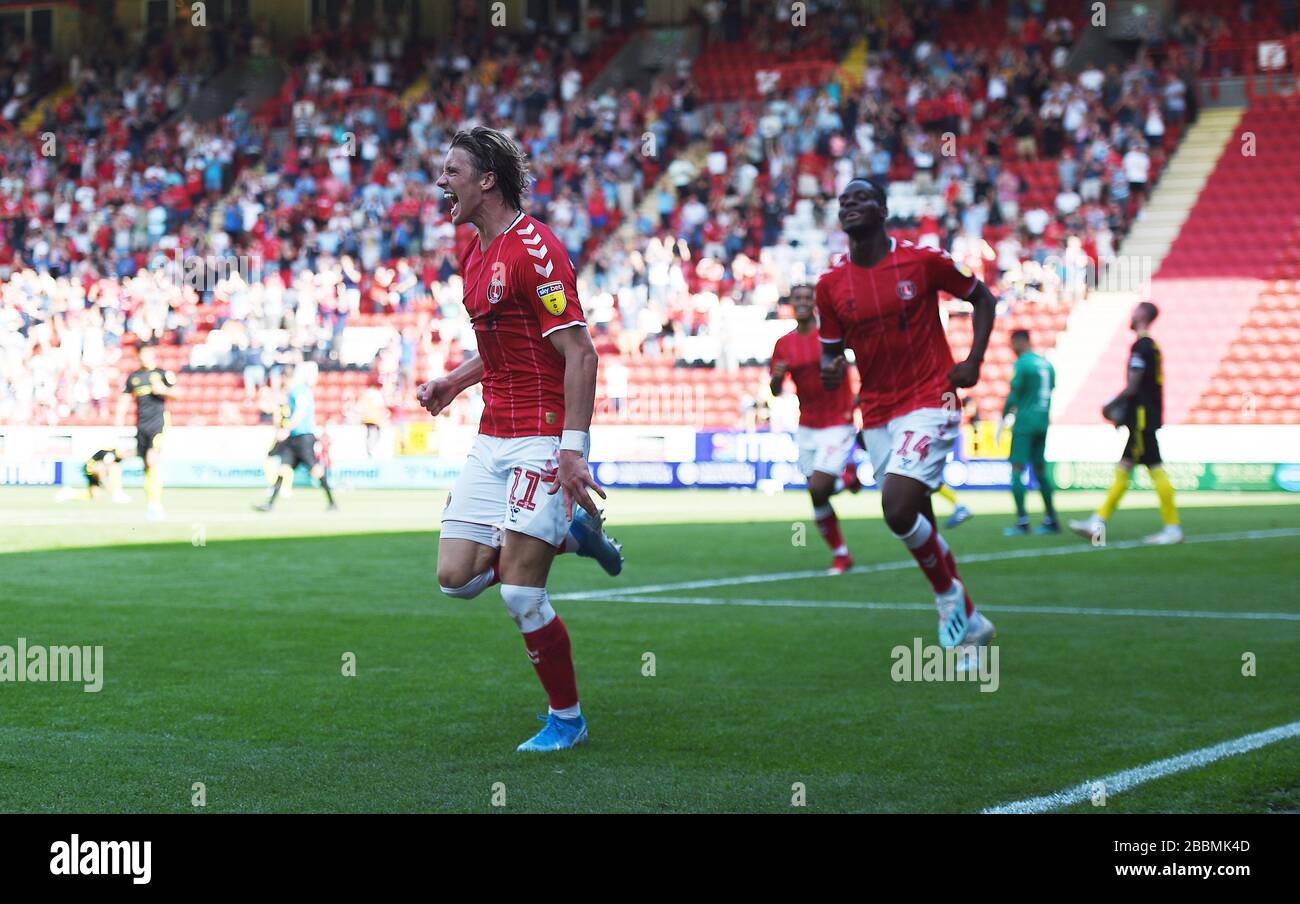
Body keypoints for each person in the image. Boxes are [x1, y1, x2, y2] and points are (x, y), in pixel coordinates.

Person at [416, 126, 624, 752]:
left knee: (518, 592)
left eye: (451, 171)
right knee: (455, 578)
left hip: (540, 434)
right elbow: (502, 346)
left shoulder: (535, 249)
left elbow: (580, 354)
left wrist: (572, 449)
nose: (440, 182)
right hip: (492, 432)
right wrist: (455, 380)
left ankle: (568, 719)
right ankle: (569, 532)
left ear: (486, 180)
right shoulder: (472, 253)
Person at [818, 177, 999, 654]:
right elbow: (829, 356)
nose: (850, 206)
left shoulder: (922, 261)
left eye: (861, 198)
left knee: (897, 507)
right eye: (844, 202)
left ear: (882, 209)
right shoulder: (830, 286)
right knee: (918, 517)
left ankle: (948, 599)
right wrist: (832, 372)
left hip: (929, 397)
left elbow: (983, 297)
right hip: (877, 410)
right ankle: (969, 626)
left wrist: (974, 359)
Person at [1070, 302, 1182, 545]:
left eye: (1135, 311)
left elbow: (1133, 386)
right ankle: (1097, 522)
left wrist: (1111, 406)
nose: (1130, 315)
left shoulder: (1141, 346)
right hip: (1144, 415)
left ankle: (1172, 529)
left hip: (1142, 417)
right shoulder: (1152, 346)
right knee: (1125, 468)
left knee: (1154, 466)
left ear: (1142, 315)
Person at [769, 285, 859, 574]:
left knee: (818, 486)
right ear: (792, 304)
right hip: (807, 423)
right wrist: (778, 378)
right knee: (816, 493)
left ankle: (845, 479)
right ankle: (841, 553)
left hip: (838, 420)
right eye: (799, 299)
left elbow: (855, 360)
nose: (804, 303)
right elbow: (774, 389)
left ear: (816, 304)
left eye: (809, 298)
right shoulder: (784, 344)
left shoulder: (830, 336)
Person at [998, 330, 1059, 535]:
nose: (1012, 349)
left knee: (1017, 469)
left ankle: (1022, 522)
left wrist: (1003, 417)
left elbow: (1014, 394)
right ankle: (1051, 519)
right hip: (1042, 422)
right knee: (1040, 471)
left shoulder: (1022, 364)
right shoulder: (1047, 364)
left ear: (1019, 342)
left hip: (1025, 423)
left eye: (1012, 344)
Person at [255, 363, 337, 512]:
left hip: (303, 437)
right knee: (282, 469)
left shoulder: (299, 391)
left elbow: (300, 412)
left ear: (286, 377)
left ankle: (332, 502)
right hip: (294, 438)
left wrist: (287, 428)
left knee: (315, 470)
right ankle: (270, 504)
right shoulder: (297, 391)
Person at [116, 344, 174, 520]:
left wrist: (163, 390)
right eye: (142, 355)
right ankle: (152, 503)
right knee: (147, 466)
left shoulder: (162, 374)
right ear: (138, 357)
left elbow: (178, 393)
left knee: (152, 459)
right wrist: (119, 418)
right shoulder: (134, 378)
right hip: (141, 425)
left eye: (148, 355)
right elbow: (125, 399)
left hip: (159, 423)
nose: (145, 358)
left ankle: (156, 505)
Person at [56, 448, 131, 503]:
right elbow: (99, 467)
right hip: (92, 470)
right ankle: (117, 493)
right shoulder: (111, 454)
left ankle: (70, 493)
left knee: (95, 496)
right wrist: (109, 488)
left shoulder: (117, 456)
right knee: (115, 468)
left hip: (90, 470)